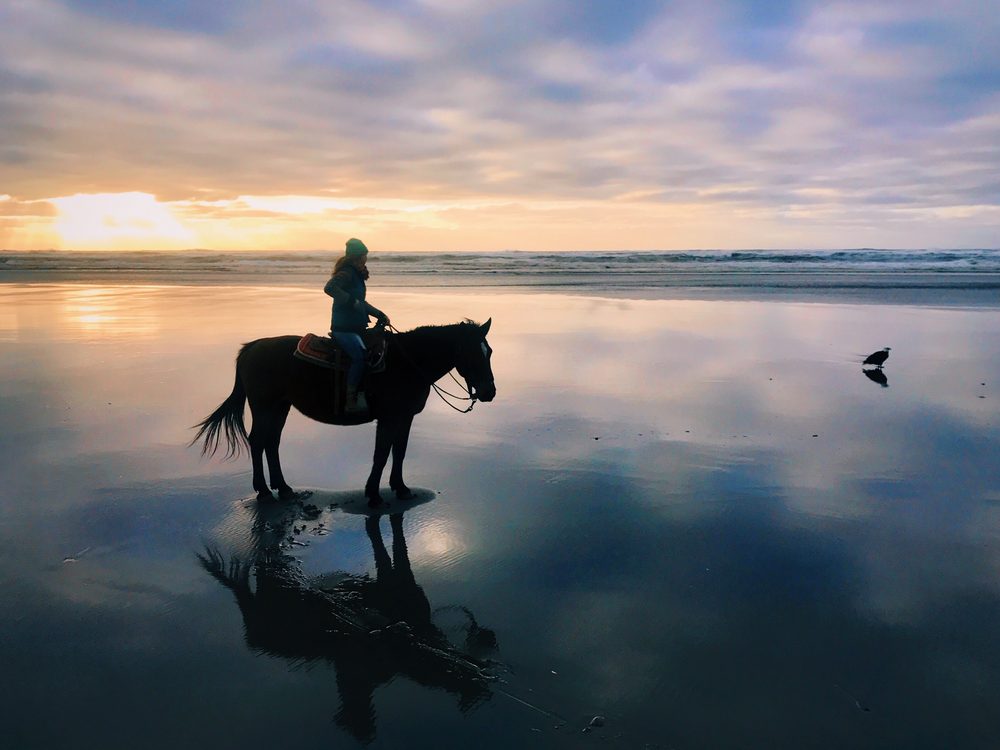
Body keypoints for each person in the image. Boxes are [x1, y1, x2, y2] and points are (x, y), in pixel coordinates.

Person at [324, 238, 389, 413]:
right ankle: (350, 400)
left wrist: (379, 314)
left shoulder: (356, 275)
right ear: (357, 257)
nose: (365, 259)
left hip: (355, 327)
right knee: (359, 358)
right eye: (363, 256)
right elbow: (329, 288)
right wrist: (351, 302)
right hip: (343, 328)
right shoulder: (347, 273)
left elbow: (362, 303)